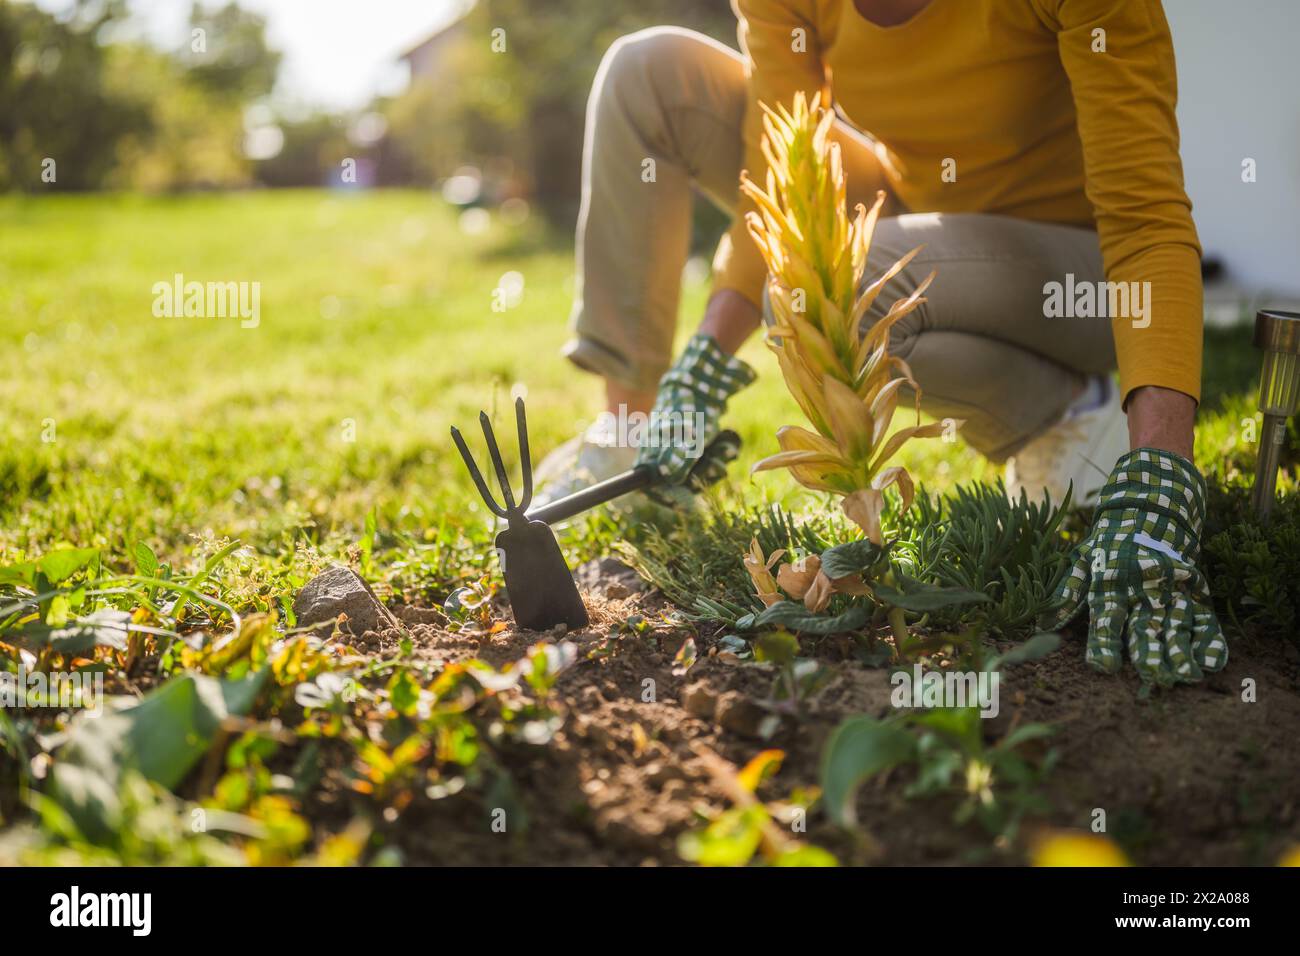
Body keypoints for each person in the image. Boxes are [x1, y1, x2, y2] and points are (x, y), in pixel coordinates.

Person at [534, 0, 1225, 685]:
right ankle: (633, 430)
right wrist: (705, 362)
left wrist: (1162, 474)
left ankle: (1066, 406)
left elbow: (1146, 221)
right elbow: (779, 170)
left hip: (1081, 273)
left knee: (838, 283)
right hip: (922, 220)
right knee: (649, 70)